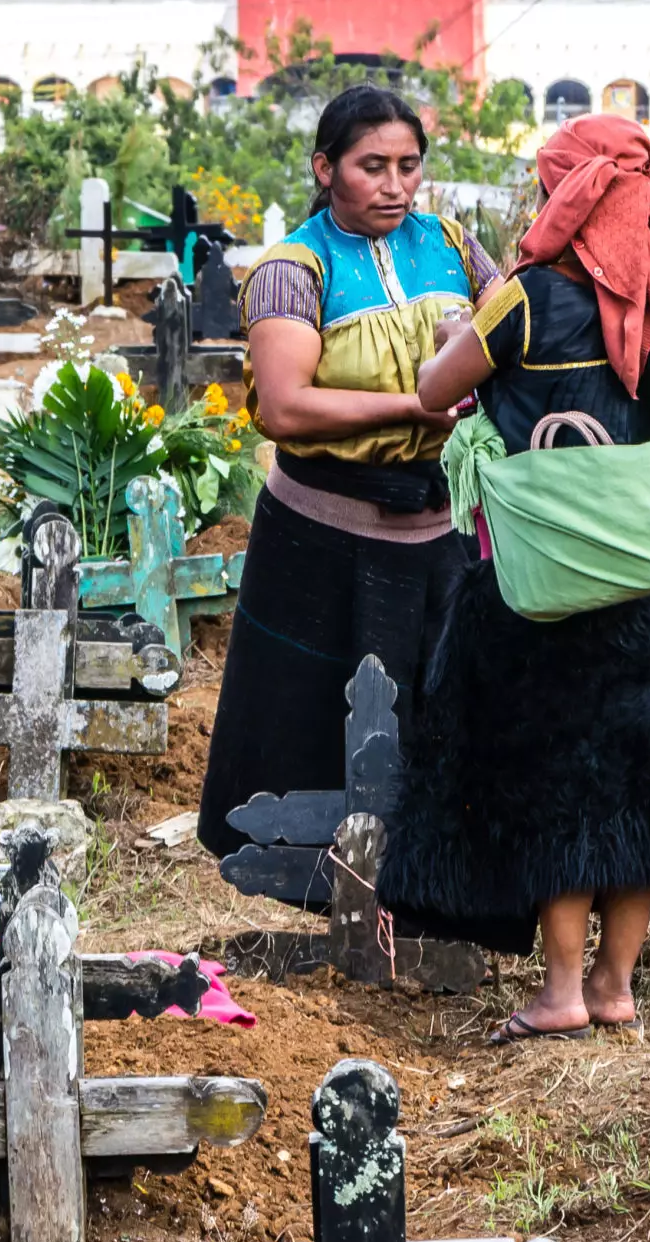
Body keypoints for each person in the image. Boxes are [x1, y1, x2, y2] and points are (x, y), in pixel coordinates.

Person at [379, 115, 650, 1042]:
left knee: (557, 779)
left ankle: (562, 992)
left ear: (568, 194)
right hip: (645, 575)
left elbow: (433, 388)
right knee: (641, 778)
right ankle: (620, 986)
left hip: (542, 580)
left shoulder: (529, 297)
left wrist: (465, 325)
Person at [197, 85, 500, 857]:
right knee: (306, 725)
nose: (395, 184)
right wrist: (416, 407)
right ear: (325, 168)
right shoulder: (294, 268)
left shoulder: (455, 247)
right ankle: (299, 878)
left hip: (435, 531)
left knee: (441, 715)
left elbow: (513, 338)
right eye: (372, 166)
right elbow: (287, 406)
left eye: (408, 165)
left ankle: (433, 881)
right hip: (320, 536)